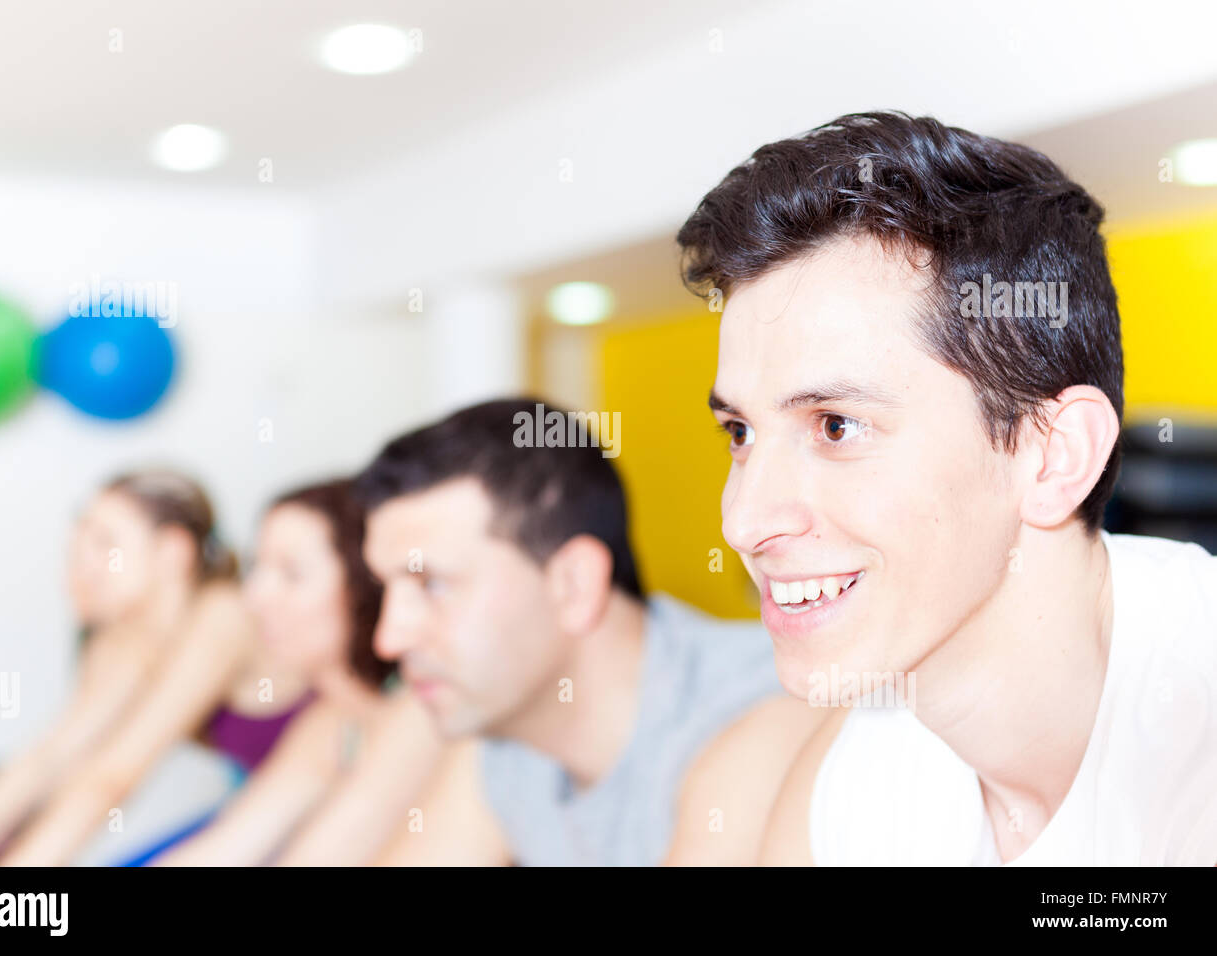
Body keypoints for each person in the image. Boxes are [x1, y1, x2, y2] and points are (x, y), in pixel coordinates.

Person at [676, 110, 1217, 865]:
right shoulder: (861, 773)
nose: (741, 522)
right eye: (740, 433)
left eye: (836, 426)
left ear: (1053, 455)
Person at [359, 398, 827, 866]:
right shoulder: (508, 732)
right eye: (387, 590)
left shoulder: (761, 717)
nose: (389, 639)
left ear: (574, 585)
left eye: (431, 584)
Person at [0, 470, 260, 866]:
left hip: (317, 800)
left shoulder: (222, 616)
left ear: (173, 551)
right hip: (260, 800)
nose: (82, 563)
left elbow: (113, 778)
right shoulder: (121, 641)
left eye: (105, 543)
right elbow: (46, 761)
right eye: (79, 542)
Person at [154, 479, 442, 866]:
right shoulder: (331, 724)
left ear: (365, 584)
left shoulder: (421, 707)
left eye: (291, 574)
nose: (255, 594)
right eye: (258, 566)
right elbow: (223, 847)